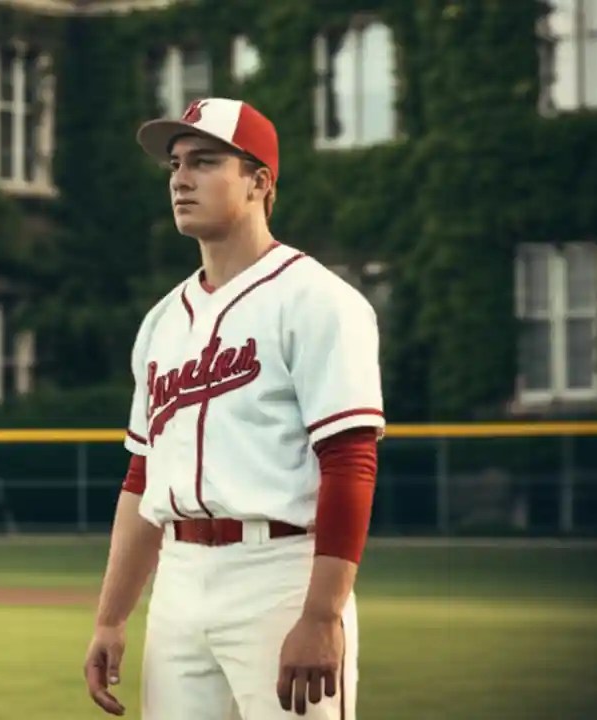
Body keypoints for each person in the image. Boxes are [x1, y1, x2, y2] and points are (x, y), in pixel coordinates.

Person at [82, 97, 384, 719]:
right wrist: (112, 617)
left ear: (260, 182)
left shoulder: (319, 302)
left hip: (278, 573)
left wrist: (322, 615)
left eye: (206, 161)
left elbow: (350, 462)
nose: (181, 178)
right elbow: (142, 478)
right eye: (174, 164)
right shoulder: (162, 321)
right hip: (179, 579)